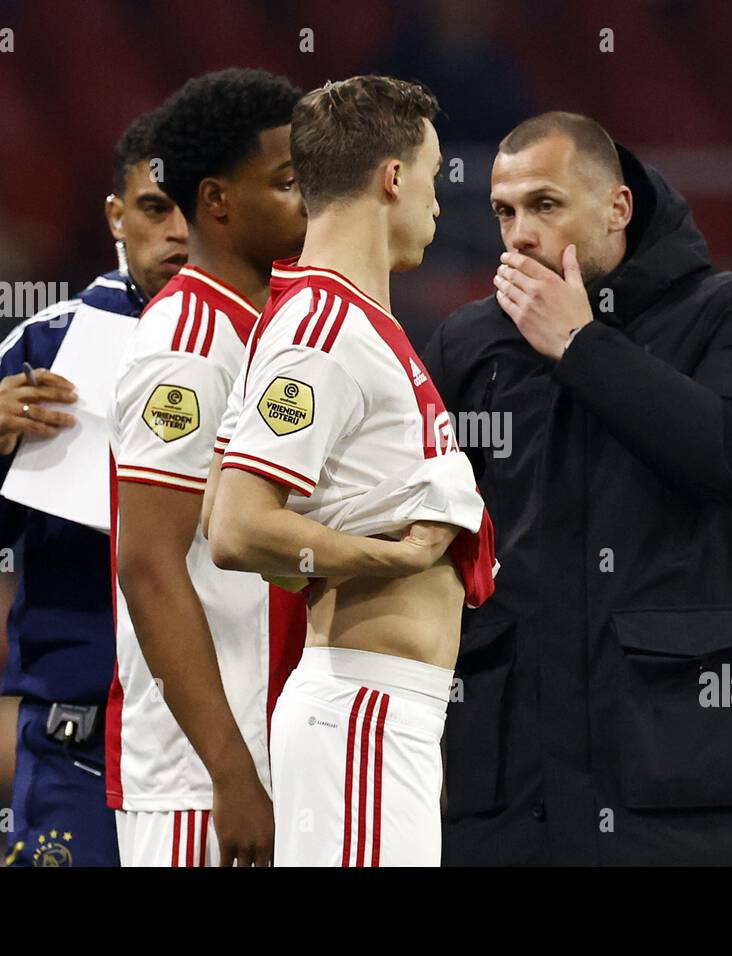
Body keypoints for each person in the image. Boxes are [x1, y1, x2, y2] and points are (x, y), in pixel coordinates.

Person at [423, 111, 732, 865]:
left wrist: (580, 345)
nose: (521, 234)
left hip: (688, 793)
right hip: (510, 790)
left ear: (617, 208)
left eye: (545, 205)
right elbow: (431, 532)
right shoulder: (470, 345)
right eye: (505, 212)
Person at [206, 75, 496, 867]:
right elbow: (233, 528)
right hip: (365, 711)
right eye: (434, 178)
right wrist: (388, 556)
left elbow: (216, 504)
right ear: (393, 177)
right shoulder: (323, 329)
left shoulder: (346, 322)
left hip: (383, 715)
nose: (438, 202)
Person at [0, 110, 187, 867]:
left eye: (195, 207)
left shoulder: (278, 350)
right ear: (115, 217)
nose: (177, 232)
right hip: (81, 737)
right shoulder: (47, 345)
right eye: (154, 209)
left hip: (233, 734)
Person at [107, 68, 307, 868]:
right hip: (200, 784)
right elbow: (148, 564)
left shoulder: (274, 324)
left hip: (275, 754)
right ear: (219, 201)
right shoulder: (186, 344)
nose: (307, 202)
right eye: (287, 182)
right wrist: (231, 773)